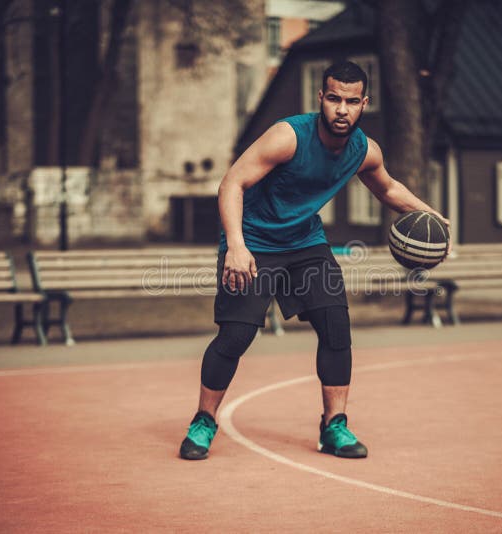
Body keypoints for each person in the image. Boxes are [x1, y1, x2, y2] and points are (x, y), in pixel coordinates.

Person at [179, 60, 449, 460]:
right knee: (237, 335)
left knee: (336, 325)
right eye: (335, 99)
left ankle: (333, 426)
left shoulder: (363, 151)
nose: (342, 109)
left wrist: (431, 216)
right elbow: (232, 183)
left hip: (305, 242)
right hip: (253, 240)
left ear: (364, 103)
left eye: (352, 101)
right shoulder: (288, 137)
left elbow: (389, 189)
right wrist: (236, 245)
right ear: (321, 98)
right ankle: (203, 421)